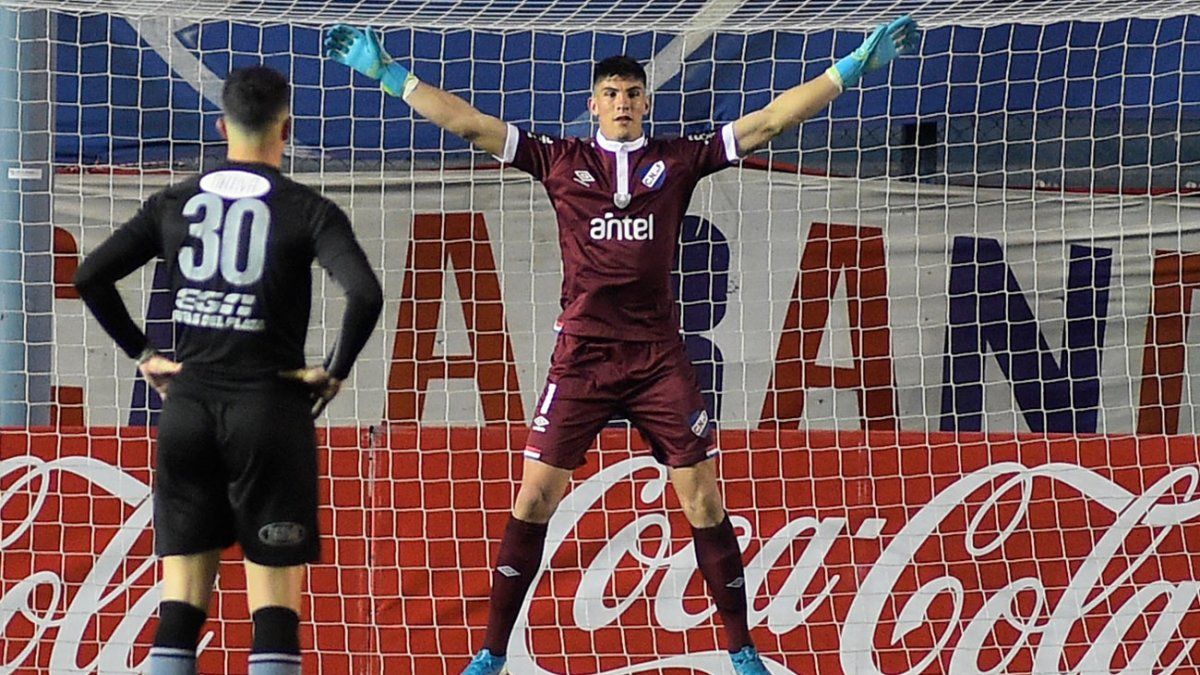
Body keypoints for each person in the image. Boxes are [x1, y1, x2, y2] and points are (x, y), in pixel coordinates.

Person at [325, 17, 918, 675]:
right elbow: (470, 124)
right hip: (582, 356)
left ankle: (742, 649)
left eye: (633, 93)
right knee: (533, 499)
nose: (624, 102)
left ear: (646, 103)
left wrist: (849, 70)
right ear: (593, 103)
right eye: (612, 92)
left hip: (658, 358)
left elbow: (768, 123)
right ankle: (491, 652)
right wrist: (389, 76)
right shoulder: (560, 160)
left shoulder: (679, 160)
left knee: (703, 500)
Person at [73, 65, 383, 675]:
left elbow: (90, 277)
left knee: (180, 604)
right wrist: (335, 369)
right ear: (287, 128)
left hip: (186, 409)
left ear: (221, 126)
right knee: (272, 608)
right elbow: (365, 295)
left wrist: (143, 354)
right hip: (269, 411)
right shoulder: (307, 209)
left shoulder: (175, 201)